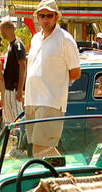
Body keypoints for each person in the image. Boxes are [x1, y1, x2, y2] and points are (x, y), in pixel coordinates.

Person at [24, 0, 80, 157]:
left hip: (51, 101)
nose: (45, 19)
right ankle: (59, 177)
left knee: (42, 148)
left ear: (56, 17)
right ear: (37, 17)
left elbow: (75, 73)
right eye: (42, 15)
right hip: (31, 100)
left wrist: (55, 80)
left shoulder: (65, 39)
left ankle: (64, 177)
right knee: (38, 150)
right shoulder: (35, 38)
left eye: (49, 15)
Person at [0, 21, 26, 125]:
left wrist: (20, 89)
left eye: (2, 30)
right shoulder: (10, 45)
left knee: (16, 115)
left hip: (14, 88)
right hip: (7, 87)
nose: (1, 33)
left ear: (6, 30)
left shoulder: (17, 44)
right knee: (8, 116)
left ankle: (18, 137)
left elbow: (22, 66)